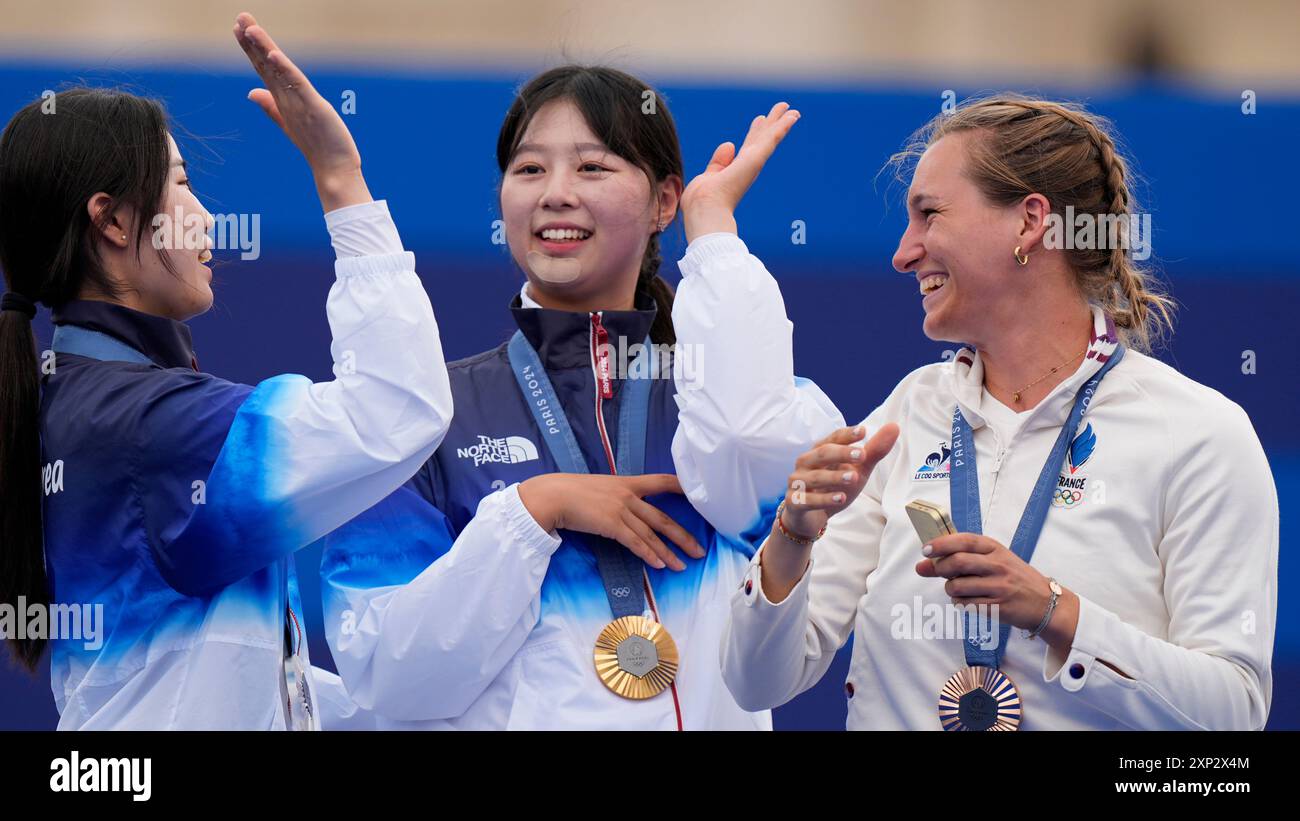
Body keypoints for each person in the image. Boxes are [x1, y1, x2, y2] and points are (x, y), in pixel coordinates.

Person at [720, 94, 1277, 730]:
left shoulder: (1199, 434)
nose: (903, 253)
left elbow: (1233, 716)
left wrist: (1054, 611)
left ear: (1029, 222)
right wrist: (793, 534)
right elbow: (754, 679)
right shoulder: (905, 416)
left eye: (928, 215)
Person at [319, 66, 843, 730]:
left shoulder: (724, 401)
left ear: (663, 203)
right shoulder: (425, 417)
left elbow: (770, 669)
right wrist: (532, 511)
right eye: (530, 169)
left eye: (592, 168)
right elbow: (385, 679)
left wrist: (712, 230)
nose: (555, 195)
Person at [0, 13, 453, 729]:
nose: (207, 218)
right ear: (114, 222)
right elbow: (398, 409)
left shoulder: (83, 401)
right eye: (181, 186)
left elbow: (218, 672)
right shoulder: (154, 423)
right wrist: (342, 180)